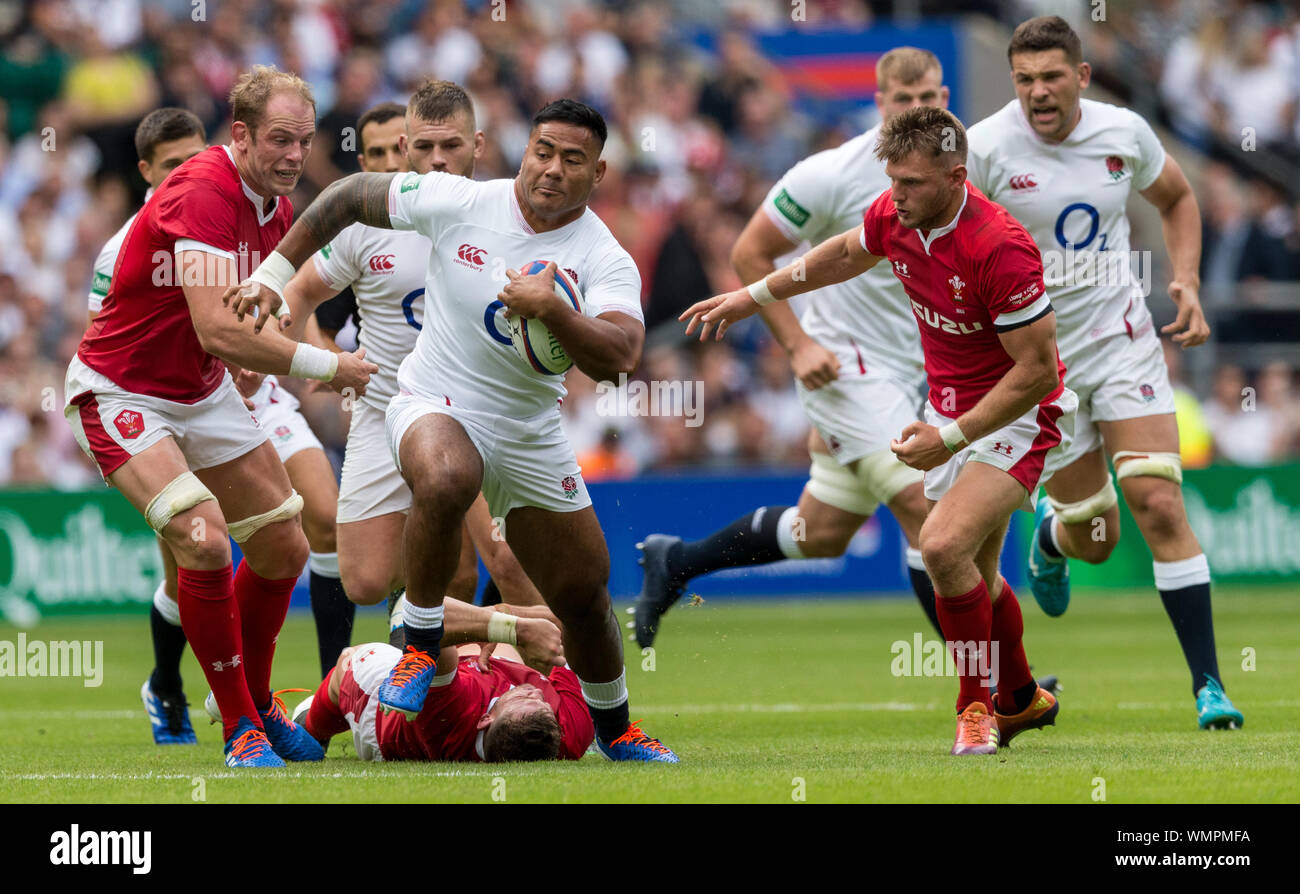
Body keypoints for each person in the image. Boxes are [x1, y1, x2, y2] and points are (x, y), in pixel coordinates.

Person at [229, 98, 677, 762]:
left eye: (573, 159)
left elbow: (618, 358)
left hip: (529, 429)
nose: (552, 169)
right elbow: (351, 195)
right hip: (432, 397)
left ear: (599, 170)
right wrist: (272, 273)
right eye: (543, 151)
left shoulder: (602, 255)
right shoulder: (461, 201)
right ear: (524, 150)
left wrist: (552, 308)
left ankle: (617, 729)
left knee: (584, 592)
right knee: (444, 476)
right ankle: (418, 645)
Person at [680, 106, 1071, 756]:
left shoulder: (998, 246)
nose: (897, 195)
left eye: (912, 183)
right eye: (892, 180)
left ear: (955, 176)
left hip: (1018, 414)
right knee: (979, 572)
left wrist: (947, 439)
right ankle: (1022, 697)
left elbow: (1035, 373)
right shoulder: (898, 214)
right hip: (948, 410)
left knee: (941, 548)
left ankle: (975, 711)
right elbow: (839, 253)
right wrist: (754, 297)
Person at [64, 66, 377, 768]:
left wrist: (272, 344)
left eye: (304, 140)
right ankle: (239, 729)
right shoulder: (205, 188)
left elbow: (245, 318)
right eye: (279, 140)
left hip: (201, 391)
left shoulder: (276, 207)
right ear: (239, 135)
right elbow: (217, 329)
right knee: (203, 541)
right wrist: (331, 368)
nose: (296, 155)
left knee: (285, 547)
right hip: (123, 392)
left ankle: (258, 703)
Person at [965, 15, 1243, 729]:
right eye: (1025, 79)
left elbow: (1178, 197)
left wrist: (1184, 279)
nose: (1038, 92)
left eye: (1052, 76)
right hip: (1037, 367)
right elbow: (956, 245)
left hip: (1120, 342)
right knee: (1097, 537)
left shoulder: (1125, 133)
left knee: (1157, 502)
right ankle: (1053, 538)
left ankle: (1210, 686)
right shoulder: (987, 149)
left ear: (1082, 77)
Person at [634, 48, 947, 649]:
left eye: (928, 98)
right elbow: (749, 253)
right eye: (903, 100)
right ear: (879, 104)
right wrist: (798, 345)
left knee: (821, 531)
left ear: (945, 101)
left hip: (910, 375)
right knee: (925, 508)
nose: (916, 109)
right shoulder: (830, 174)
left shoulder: (963, 165)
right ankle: (996, 685)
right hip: (843, 369)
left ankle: (678, 561)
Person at [280, 85, 544, 642]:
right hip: (383, 414)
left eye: (452, 145)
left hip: (474, 414)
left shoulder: (509, 215)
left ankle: (566, 700)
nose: (439, 159)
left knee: (507, 562)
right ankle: (455, 646)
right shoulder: (366, 224)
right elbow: (298, 294)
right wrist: (310, 361)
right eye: (425, 147)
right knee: (365, 580)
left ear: (478, 144)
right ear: (405, 147)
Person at [293, 602, 590, 762]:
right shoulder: (571, 733)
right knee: (519, 641)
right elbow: (577, 623)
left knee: (355, 659)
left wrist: (512, 626)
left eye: (522, 698)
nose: (534, 692)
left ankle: (311, 726)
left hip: (387, 719)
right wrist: (505, 615)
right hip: (471, 671)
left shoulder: (453, 713)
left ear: (486, 718)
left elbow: (428, 616)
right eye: (541, 702)